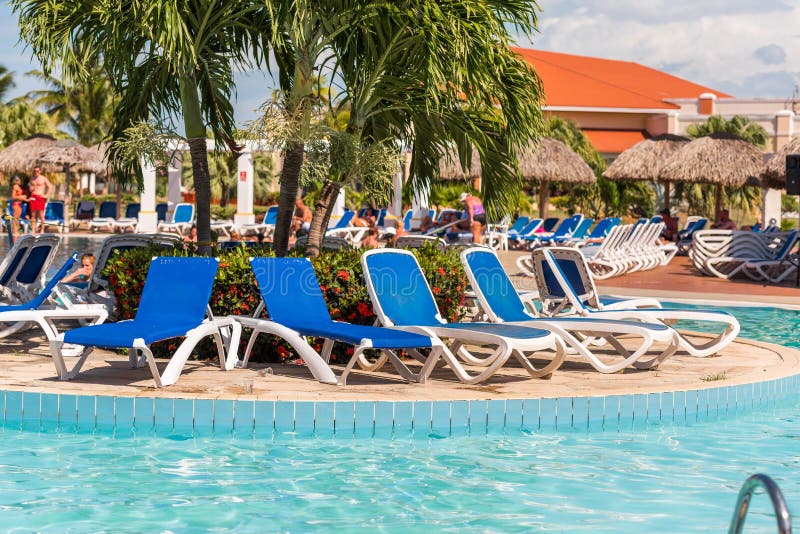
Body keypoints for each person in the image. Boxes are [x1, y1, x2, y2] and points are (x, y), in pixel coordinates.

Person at [28, 167, 52, 234]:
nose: (36, 172)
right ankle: (33, 230)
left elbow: (50, 186)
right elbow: (30, 189)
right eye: (35, 171)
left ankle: (42, 230)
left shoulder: (43, 178)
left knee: (41, 215)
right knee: (33, 215)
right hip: (33, 197)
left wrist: (46, 195)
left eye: (38, 171)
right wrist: (33, 187)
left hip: (40, 197)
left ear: (40, 171)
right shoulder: (32, 179)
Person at [9, 175, 28, 240]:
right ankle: (15, 231)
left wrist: (25, 199)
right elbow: (13, 197)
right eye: (18, 180)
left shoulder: (18, 187)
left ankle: (16, 230)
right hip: (16, 204)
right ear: (16, 181)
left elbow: (19, 196)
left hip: (19, 204)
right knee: (15, 218)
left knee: (17, 218)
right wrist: (20, 197)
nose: (20, 181)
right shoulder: (15, 187)